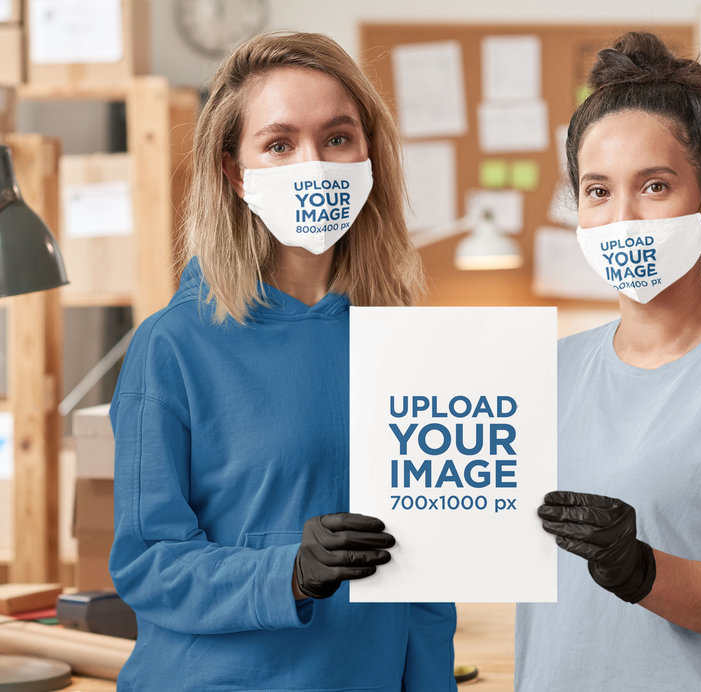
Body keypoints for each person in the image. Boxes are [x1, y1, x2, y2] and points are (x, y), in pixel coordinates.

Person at [108, 32, 456, 691]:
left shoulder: (406, 342)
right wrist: (289, 572)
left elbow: (428, 583)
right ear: (234, 172)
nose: (314, 164)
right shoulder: (174, 347)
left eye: (337, 138)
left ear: (369, 153)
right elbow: (148, 563)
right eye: (278, 143)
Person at [515, 32, 701, 691]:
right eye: (597, 191)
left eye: (653, 186)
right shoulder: (547, 370)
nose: (622, 217)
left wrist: (641, 570)